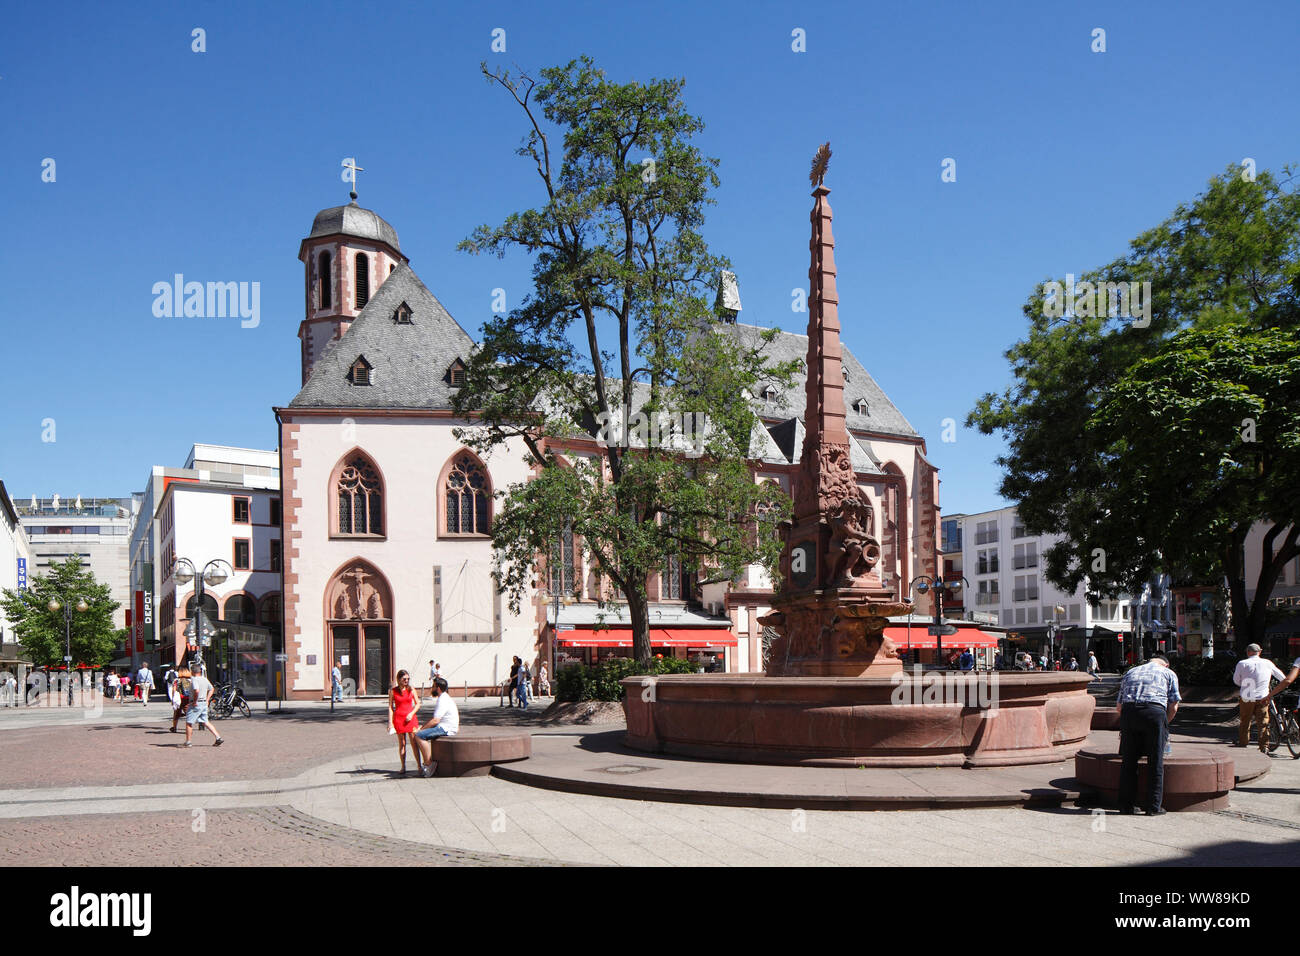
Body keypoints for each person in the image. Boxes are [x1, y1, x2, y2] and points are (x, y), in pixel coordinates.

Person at [1115, 653, 1180, 815]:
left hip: (1129, 713)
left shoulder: (1131, 672)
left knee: (1128, 761)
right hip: (1154, 712)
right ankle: (1153, 807)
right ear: (1166, 664)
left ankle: (1126, 806)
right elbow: (1174, 705)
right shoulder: (1168, 673)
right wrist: (1165, 724)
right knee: (1155, 760)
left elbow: (1119, 707)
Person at [1232, 643, 1286, 752]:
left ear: (1248, 652)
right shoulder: (1268, 663)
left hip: (1247, 696)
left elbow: (1236, 680)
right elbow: (1283, 678)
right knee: (1263, 722)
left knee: (1245, 720)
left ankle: (1243, 742)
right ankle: (1264, 746)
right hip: (1263, 697)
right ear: (1259, 652)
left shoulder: (1242, 663)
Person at [414, 677, 460, 777]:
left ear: (438, 688)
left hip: (446, 728)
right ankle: (428, 762)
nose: (432, 689)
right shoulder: (445, 697)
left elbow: (435, 720)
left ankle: (429, 764)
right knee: (421, 732)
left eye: (433, 686)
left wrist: (421, 729)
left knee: (419, 735)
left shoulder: (442, 699)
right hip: (447, 727)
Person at [388, 670, 421, 775]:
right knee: (402, 743)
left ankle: (419, 765)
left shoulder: (411, 690)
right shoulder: (393, 691)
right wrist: (390, 722)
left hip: (410, 718)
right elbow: (390, 707)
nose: (406, 681)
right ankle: (403, 766)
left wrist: (411, 713)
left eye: (408, 679)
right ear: (399, 679)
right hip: (399, 719)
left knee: (414, 742)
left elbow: (418, 704)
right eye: (404, 679)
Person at [184, 664, 224, 747]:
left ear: (192, 671)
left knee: (189, 722)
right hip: (203, 703)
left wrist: (194, 701)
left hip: (196, 703)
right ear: (200, 671)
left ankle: (188, 741)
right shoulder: (205, 679)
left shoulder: (194, 680)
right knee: (206, 721)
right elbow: (211, 689)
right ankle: (218, 737)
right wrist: (207, 699)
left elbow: (197, 691)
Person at [171, 665, 193, 733]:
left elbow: (174, 690)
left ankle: (174, 728)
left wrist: (172, 699)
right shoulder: (190, 680)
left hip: (179, 699)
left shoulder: (177, 680)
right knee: (188, 714)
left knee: (176, 714)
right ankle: (189, 729)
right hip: (188, 698)